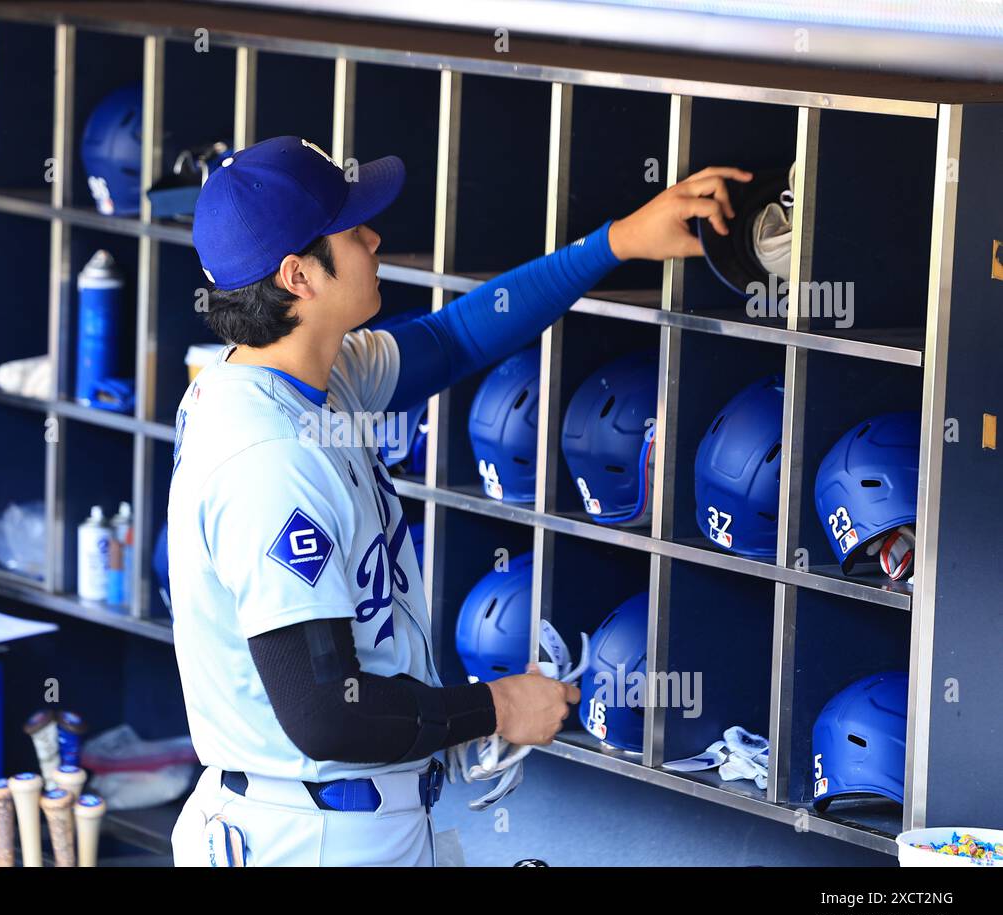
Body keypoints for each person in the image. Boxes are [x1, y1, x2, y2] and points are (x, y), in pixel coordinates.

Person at [167, 135, 749, 866]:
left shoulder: (300, 377)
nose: (375, 237)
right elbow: (325, 715)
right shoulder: (271, 459)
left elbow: (458, 337)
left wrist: (620, 241)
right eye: (353, 231)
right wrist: (498, 706)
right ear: (298, 277)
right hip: (308, 834)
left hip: (333, 818)